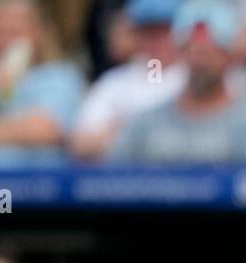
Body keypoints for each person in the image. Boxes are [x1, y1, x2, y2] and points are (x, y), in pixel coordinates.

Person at [109, 0, 246, 163]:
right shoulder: (145, 124)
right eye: (194, 52)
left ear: (230, 57)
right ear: (180, 52)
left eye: (210, 54)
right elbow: (113, 181)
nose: (201, 63)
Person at [0, 0, 86, 167]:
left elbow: (46, 131)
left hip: (33, 183)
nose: (8, 41)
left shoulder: (60, 76)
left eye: (17, 32)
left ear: (40, 34)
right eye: (0, 32)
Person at [71, 0, 188, 162]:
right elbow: (80, 143)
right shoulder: (114, 82)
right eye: (149, 31)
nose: (158, 40)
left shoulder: (196, 77)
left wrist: (120, 129)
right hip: (124, 180)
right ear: (137, 35)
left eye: (165, 30)